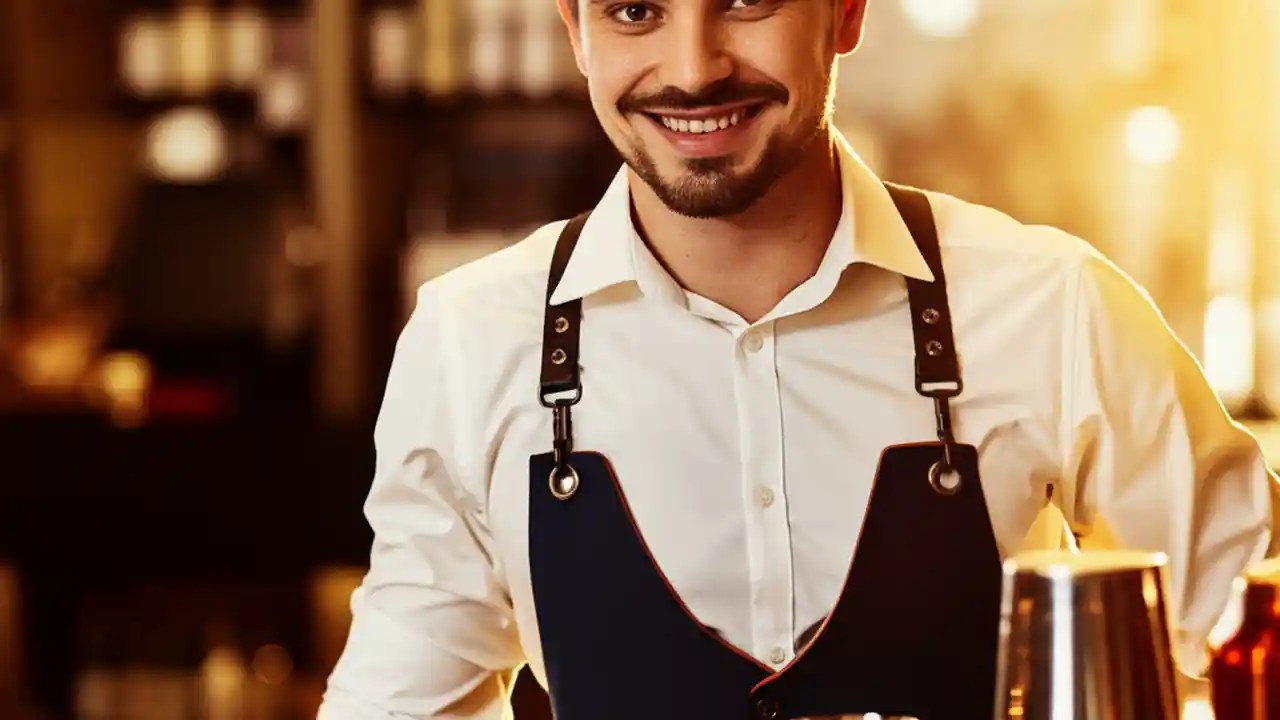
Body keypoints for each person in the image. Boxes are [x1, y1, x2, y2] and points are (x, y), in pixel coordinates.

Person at [319, 1, 1280, 718]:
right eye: (635, 11)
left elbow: (1258, 638)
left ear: (846, 12)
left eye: (747, 0)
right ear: (575, 30)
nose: (693, 69)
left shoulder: (1055, 306)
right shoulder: (472, 341)